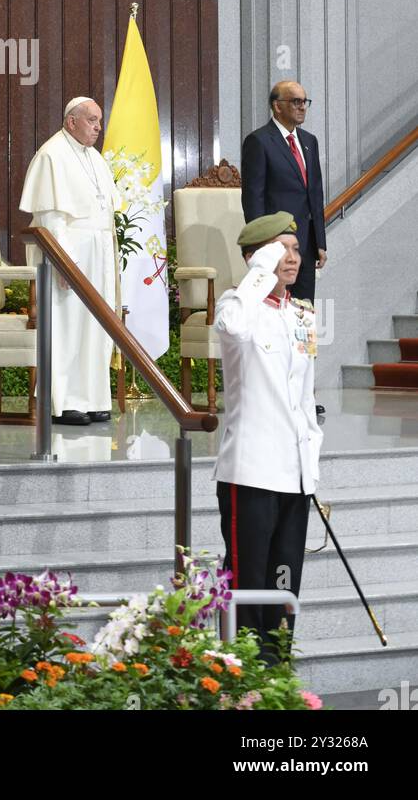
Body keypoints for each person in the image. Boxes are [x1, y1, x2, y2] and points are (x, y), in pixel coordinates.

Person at [213, 212, 323, 663]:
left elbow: (305, 396)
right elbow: (233, 328)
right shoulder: (236, 306)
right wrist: (261, 270)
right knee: (248, 580)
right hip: (252, 472)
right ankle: (241, 674)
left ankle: (276, 669)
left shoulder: (302, 315)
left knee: (284, 581)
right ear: (254, 257)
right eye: (281, 250)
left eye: (295, 249)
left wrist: (311, 461)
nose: (293, 258)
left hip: (294, 473)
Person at [19, 97, 121, 426]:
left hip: (98, 254)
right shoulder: (52, 155)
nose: (98, 127)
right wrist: (63, 262)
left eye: (100, 121)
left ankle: (92, 399)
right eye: (92, 120)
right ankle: (62, 402)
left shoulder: (95, 158)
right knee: (68, 327)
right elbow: (51, 219)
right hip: (68, 255)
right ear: (71, 121)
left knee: (95, 326)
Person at [240, 81, 327, 305]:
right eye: (296, 101)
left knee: (303, 309)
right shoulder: (258, 141)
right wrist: (261, 245)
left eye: (305, 102)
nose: (302, 107)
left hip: (306, 246)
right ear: (277, 106)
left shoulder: (309, 141)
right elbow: (253, 198)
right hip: (275, 245)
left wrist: (320, 242)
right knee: (274, 307)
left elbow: (315, 194)